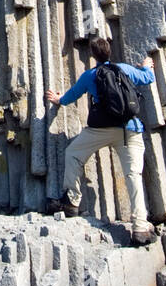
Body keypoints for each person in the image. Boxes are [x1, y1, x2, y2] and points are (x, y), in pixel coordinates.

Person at [44, 37, 158, 246]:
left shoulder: (90, 75)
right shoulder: (125, 69)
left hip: (101, 130)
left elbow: (72, 96)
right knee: (133, 175)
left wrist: (58, 99)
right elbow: (147, 79)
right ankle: (140, 228)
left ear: (93, 56)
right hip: (129, 130)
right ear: (109, 52)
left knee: (73, 154)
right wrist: (147, 66)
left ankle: (72, 201)